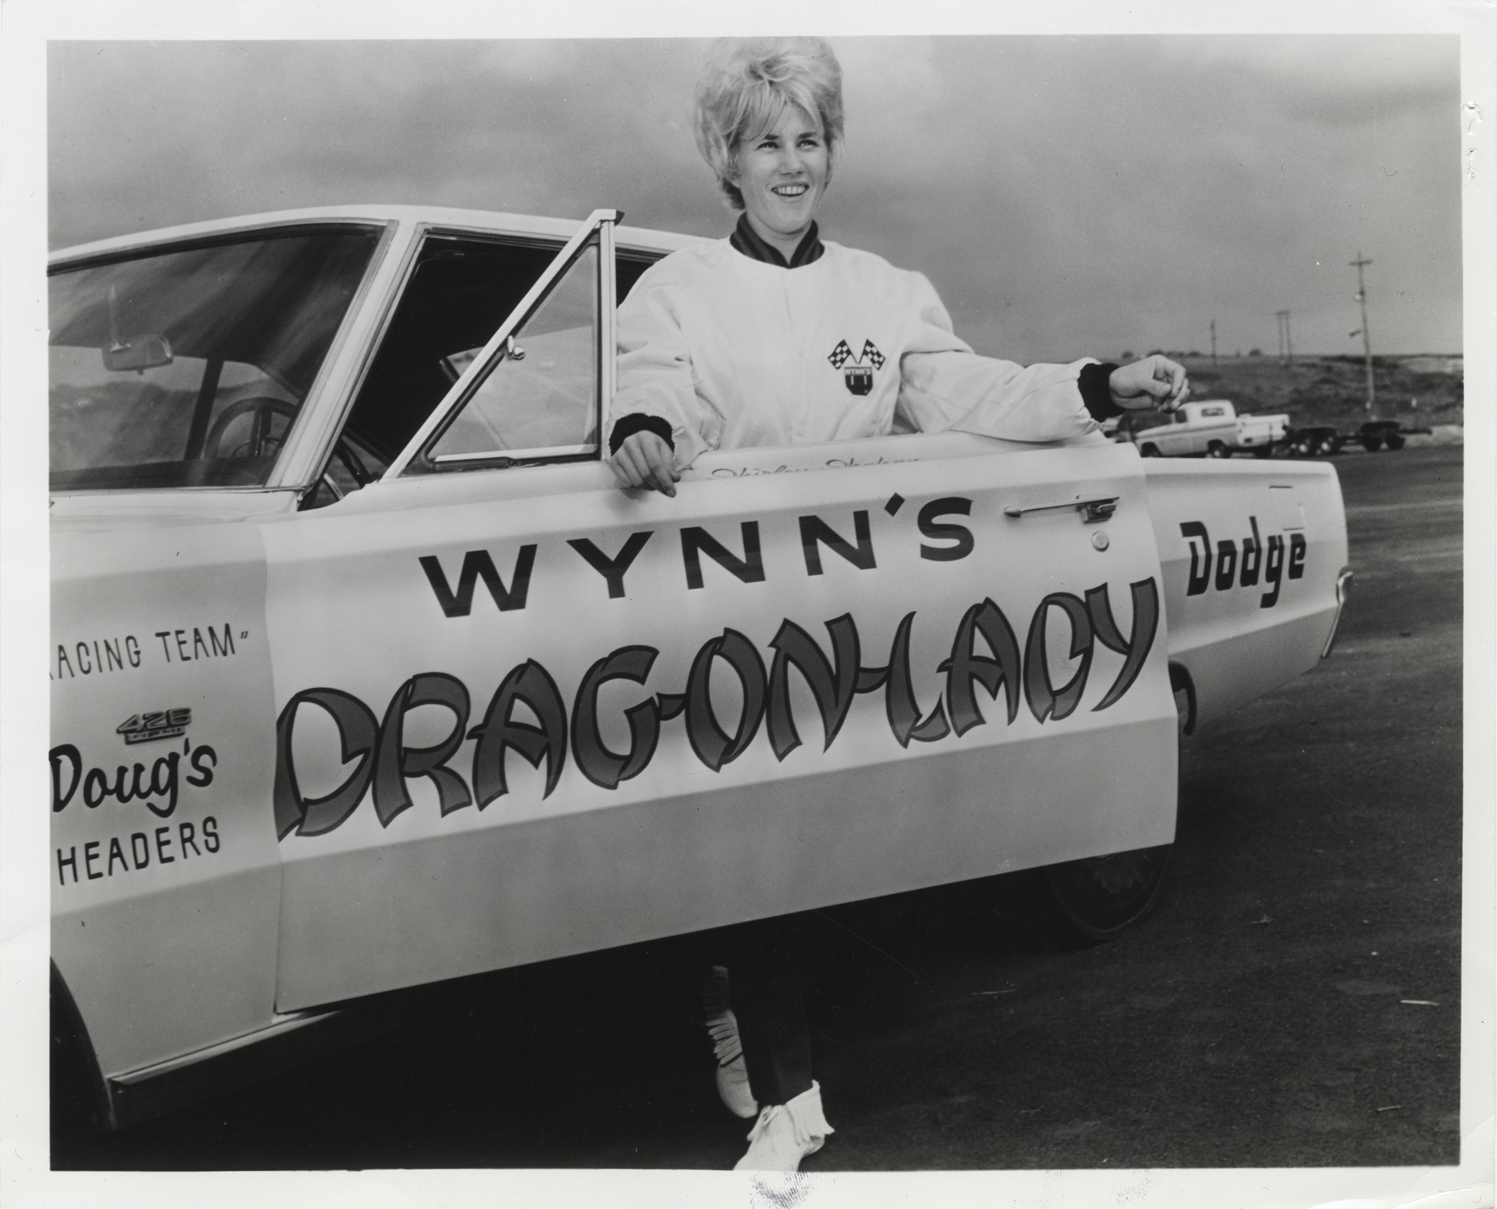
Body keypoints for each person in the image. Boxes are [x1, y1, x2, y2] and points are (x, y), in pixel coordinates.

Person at [604, 38, 1190, 1170]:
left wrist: (1093, 383)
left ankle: (736, 990)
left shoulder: (883, 291)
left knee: (823, 845)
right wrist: (645, 434)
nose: (790, 163)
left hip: (858, 601)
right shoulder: (676, 291)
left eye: (808, 139)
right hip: (724, 600)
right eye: (766, 141)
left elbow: (966, 390)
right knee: (755, 832)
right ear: (726, 159)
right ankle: (787, 1089)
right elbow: (654, 388)